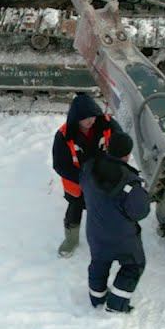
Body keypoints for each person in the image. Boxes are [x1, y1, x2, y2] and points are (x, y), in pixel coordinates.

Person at [80, 131, 149, 313]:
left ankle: (97, 299)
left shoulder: (89, 167)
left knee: (99, 263)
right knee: (134, 265)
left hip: (95, 231)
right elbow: (140, 212)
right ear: (127, 155)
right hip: (122, 238)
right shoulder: (129, 183)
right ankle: (116, 305)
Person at [51, 93, 124, 258]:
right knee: (74, 210)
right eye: (85, 118)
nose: (90, 121)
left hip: (104, 177)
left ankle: (108, 237)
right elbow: (60, 165)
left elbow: (121, 142)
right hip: (78, 183)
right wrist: (84, 179)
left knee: (107, 208)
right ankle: (71, 240)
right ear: (76, 119)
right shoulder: (63, 136)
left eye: (93, 116)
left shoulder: (106, 123)